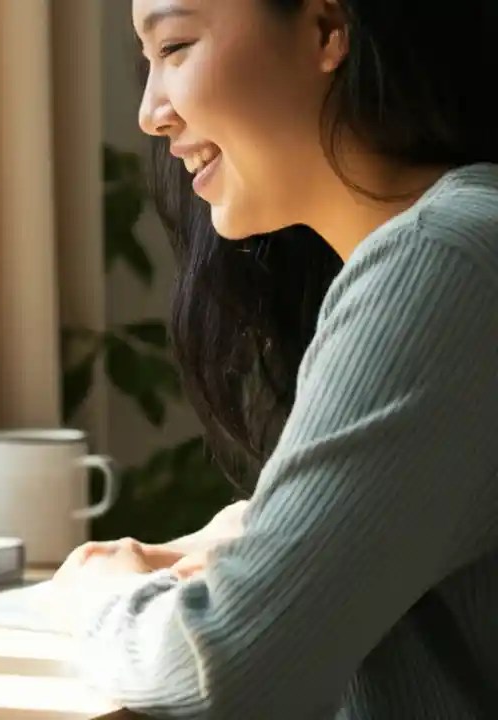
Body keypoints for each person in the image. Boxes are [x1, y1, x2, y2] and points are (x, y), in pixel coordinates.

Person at [50, 0, 498, 718]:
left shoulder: (444, 260)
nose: (150, 112)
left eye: (174, 48)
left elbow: (226, 669)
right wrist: (264, 531)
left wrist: (102, 599)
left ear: (327, 30)